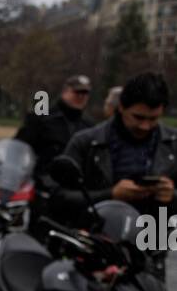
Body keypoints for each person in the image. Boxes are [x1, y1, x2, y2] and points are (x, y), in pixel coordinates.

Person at [49, 71, 176, 222]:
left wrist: (171, 195)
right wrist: (110, 195)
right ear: (121, 107)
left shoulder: (174, 144)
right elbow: (58, 198)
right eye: (138, 117)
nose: (145, 126)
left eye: (153, 119)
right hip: (98, 234)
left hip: (158, 236)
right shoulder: (86, 142)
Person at [16, 74, 94, 178]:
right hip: (41, 181)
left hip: (74, 186)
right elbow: (19, 148)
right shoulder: (42, 117)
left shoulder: (89, 126)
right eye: (77, 92)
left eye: (85, 93)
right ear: (65, 91)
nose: (81, 96)